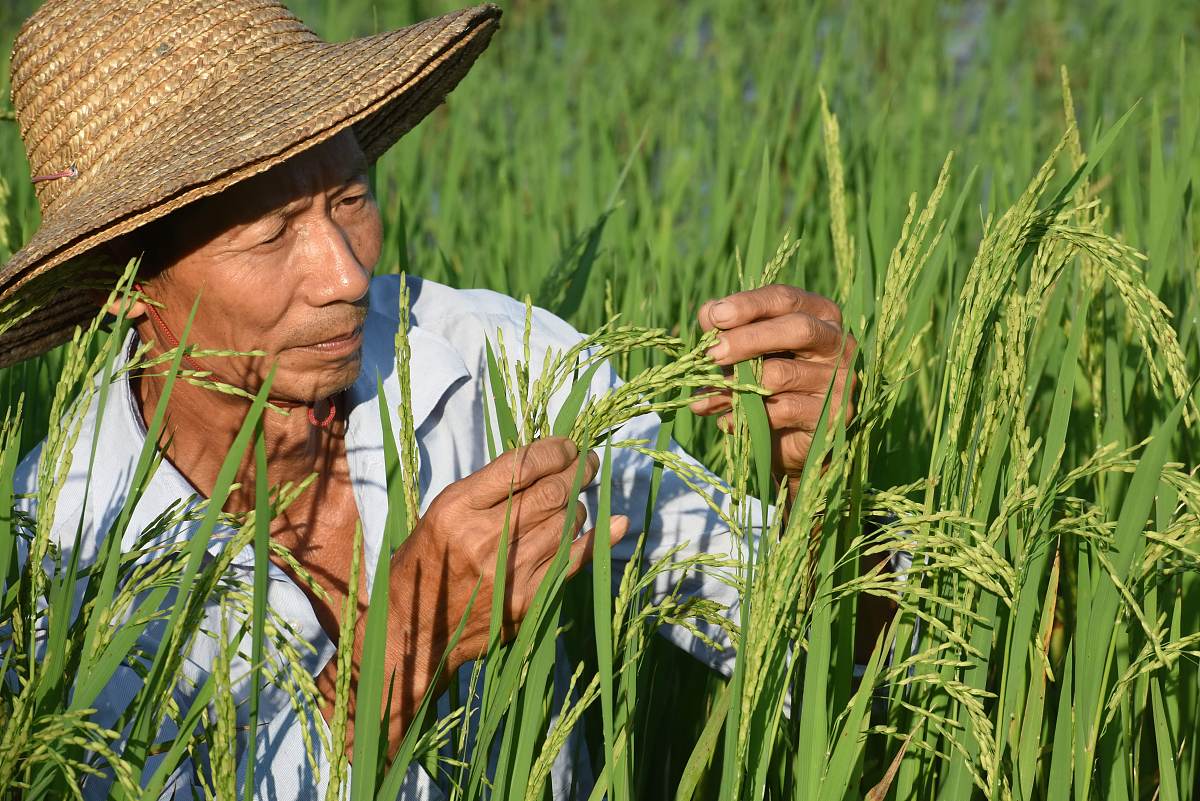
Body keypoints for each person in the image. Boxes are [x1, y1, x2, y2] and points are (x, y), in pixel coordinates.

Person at [0, 1, 861, 798]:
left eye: (350, 198)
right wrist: (403, 649)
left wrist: (818, 480)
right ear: (124, 286)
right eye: (269, 235)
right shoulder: (58, 555)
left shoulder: (495, 365)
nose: (346, 272)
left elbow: (809, 640)